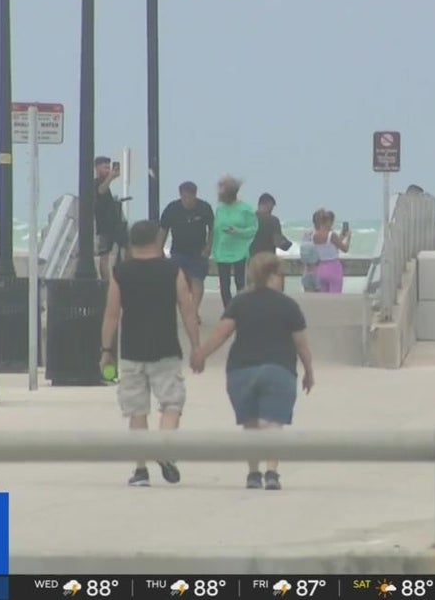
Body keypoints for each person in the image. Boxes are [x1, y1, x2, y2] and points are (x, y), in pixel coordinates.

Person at [190, 252, 314, 490]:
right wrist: (309, 371)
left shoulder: (240, 302)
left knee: (251, 424)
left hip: (241, 371)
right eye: (281, 274)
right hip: (279, 370)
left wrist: (201, 355)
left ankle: (253, 474)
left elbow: (221, 334)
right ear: (271, 275)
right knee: (273, 424)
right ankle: (272, 473)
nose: (284, 279)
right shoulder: (288, 305)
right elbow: (301, 345)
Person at [101, 219, 202, 487]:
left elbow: (112, 314)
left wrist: (106, 350)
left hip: (132, 352)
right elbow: (187, 309)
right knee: (171, 404)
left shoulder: (120, 272)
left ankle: (141, 470)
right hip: (166, 349)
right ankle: (164, 450)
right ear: (157, 241)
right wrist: (196, 347)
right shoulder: (172, 271)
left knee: (137, 411)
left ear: (132, 243)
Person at [158, 181, 215, 313]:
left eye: (190, 196)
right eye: (185, 197)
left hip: (198, 252)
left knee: (197, 280)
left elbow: (212, 230)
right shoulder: (172, 208)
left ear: (195, 195)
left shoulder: (204, 207)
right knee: (179, 283)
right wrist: (159, 249)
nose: (188, 200)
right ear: (181, 195)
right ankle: (187, 309)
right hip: (178, 252)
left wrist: (209, 247)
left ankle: (193, 311)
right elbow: (163, 230)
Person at [211, 175, 258, 309]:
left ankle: (242, 309)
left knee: (240, 283)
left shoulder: (246, 209)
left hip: (240, 252)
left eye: (222, 190)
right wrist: (213, 249)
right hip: (222, 251)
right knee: (224, 285)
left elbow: (253, 229)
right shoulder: (220, 209)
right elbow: (216, 231)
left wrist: (237, 231)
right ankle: (229, 311)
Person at [301, 209, 351, 293]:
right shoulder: (331, 235)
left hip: (319, 268)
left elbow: (329, 247)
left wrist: (341, 237)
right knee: (335, 297)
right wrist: (348, 237)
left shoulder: (311, 235)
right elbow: (345, 249)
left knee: (323, 298)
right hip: (334, 268)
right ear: (327, 221)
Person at [94, 156, 126, 280]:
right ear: (97, 168)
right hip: (103, 226)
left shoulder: (105, 184)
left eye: (109, 167)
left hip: (115, 224)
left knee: (126, 247)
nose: (107, 170)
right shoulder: (96, 182)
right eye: (105, 167)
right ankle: (105, 282)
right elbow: (100, 191)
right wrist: (111, 177)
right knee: (104, 256)